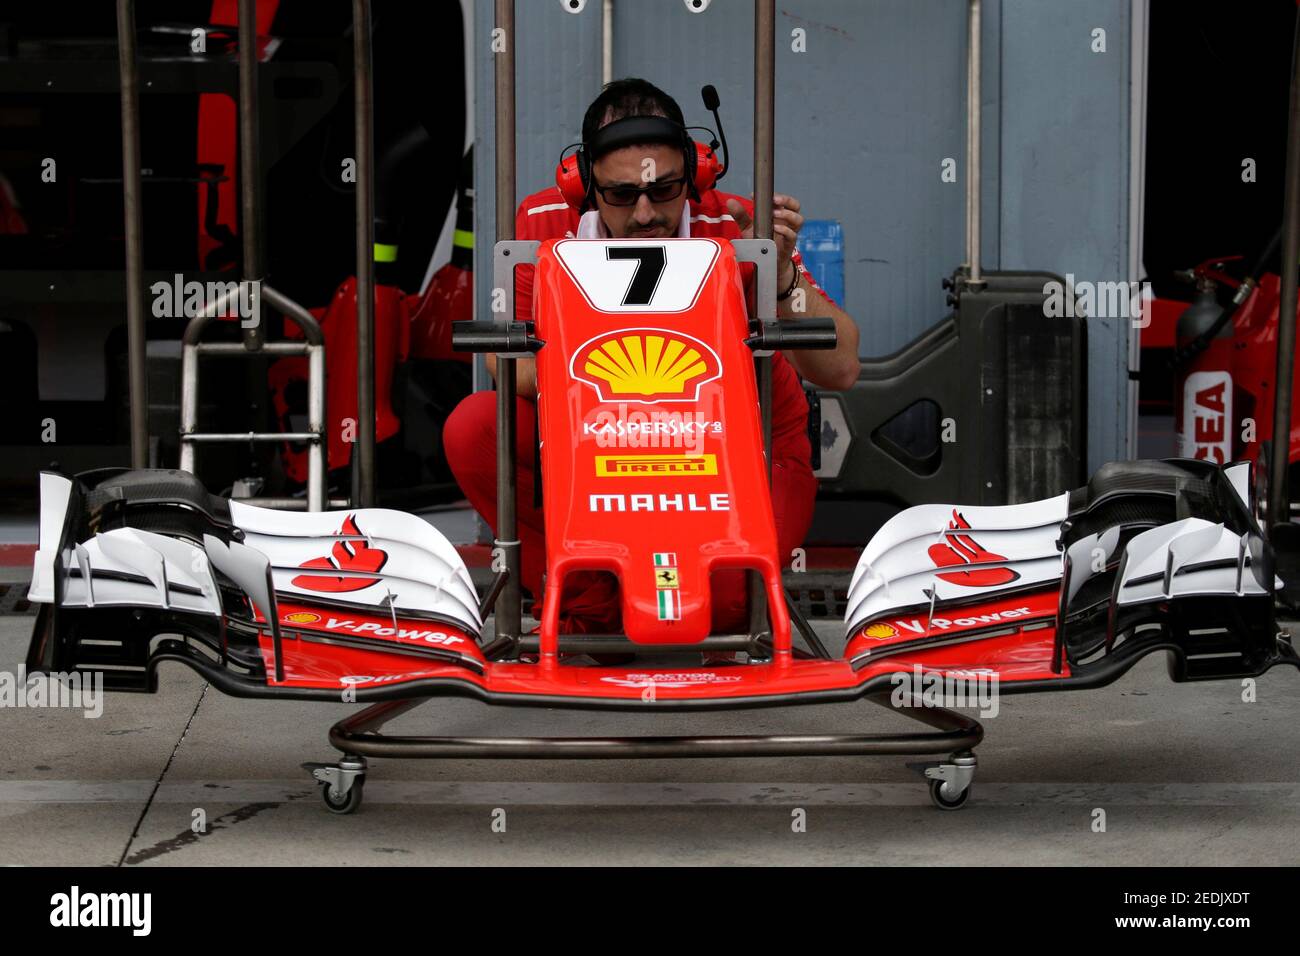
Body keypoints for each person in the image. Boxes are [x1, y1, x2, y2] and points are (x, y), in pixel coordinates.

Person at [444, 78, 860, 636]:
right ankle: (591, 601)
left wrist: (781, 274)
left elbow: (842, 367)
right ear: (583, 184)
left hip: (744, 441)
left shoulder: (736, 223)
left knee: (727, 610)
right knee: (474, 427)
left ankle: (638, 602)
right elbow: (505, 367)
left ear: (697, 172)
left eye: (665, 190)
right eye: (621, 194)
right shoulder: (544, 221)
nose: (644, 214)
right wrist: (616, 413)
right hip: (591, 439)